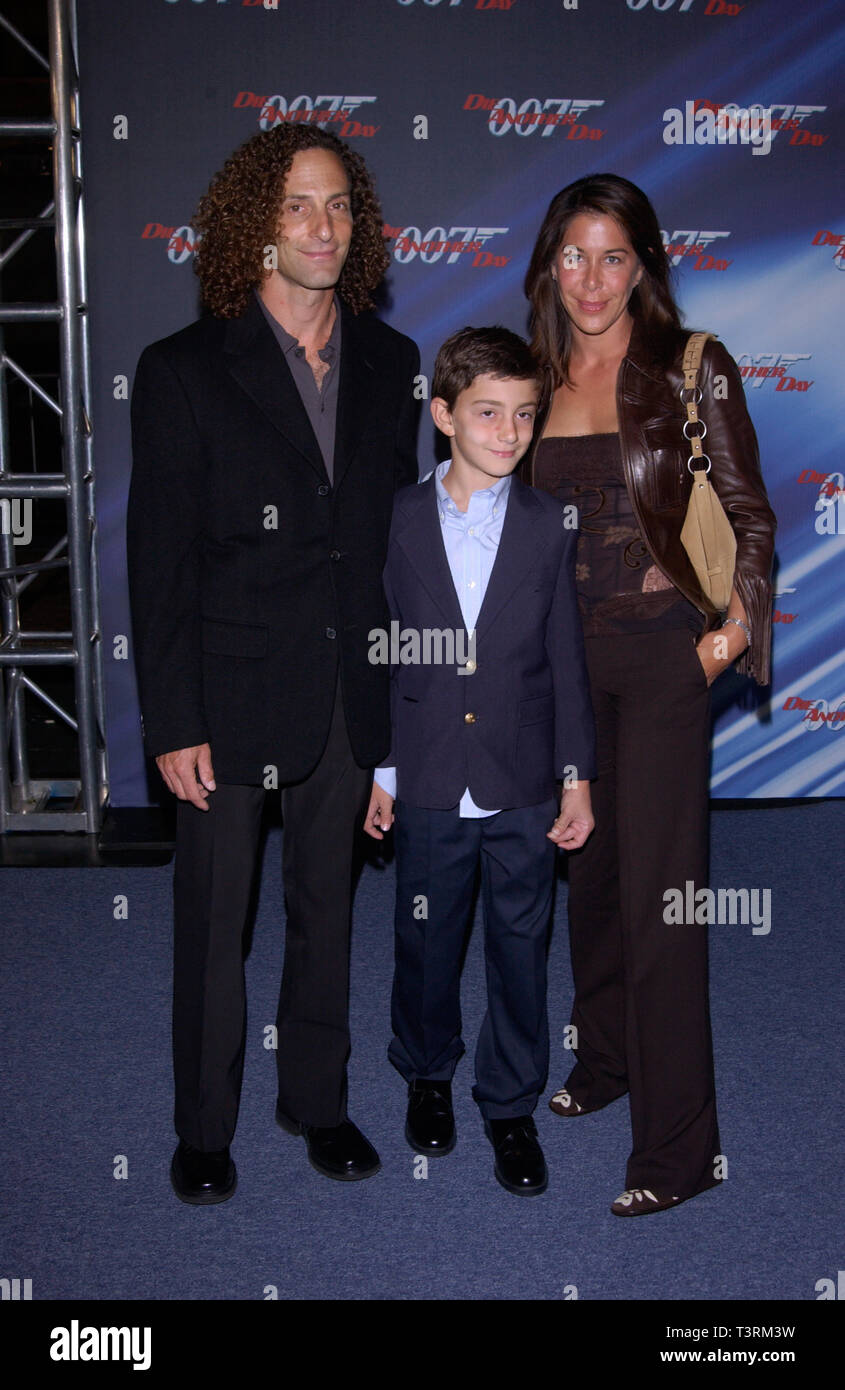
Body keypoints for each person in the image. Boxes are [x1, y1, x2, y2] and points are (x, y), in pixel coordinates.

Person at [127, 123, 420, 1203]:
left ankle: (317, 1101)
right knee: (215, 923)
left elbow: (392, 550)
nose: (321, 226)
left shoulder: (392, 363)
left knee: (326, 910)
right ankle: (204, 1129)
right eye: (297, 203)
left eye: (339, 203)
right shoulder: (183, 370)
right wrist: (173, 720)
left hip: (347, 690)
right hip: (227, 696)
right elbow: (158, 562)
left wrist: (392, 728)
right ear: (255, 223)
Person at [524, 173, 776, 1216]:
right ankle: (605, 1058)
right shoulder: (528, 374)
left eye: (612, 257)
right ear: (549, 264)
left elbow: (749, 516)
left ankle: (677, 1154)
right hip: (563, 672)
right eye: (573, 256)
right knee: (589, 880)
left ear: (642, 267)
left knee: (663, 904)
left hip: (666, 664)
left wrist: (724, 642)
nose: (591, 279)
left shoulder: (689, 366)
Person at [363, 327, 596, 1196]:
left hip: (523, 775)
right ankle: (427, 1073)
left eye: (524, 415)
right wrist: (383, 770)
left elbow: (566, 657)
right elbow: (383, 652)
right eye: (487, 413)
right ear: (443, 416)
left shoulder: (547, 524)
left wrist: (576, 777)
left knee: (520, 945)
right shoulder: (395, 518)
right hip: (426, 768)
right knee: (425, 937)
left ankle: (509, 1102)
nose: (508, 433)